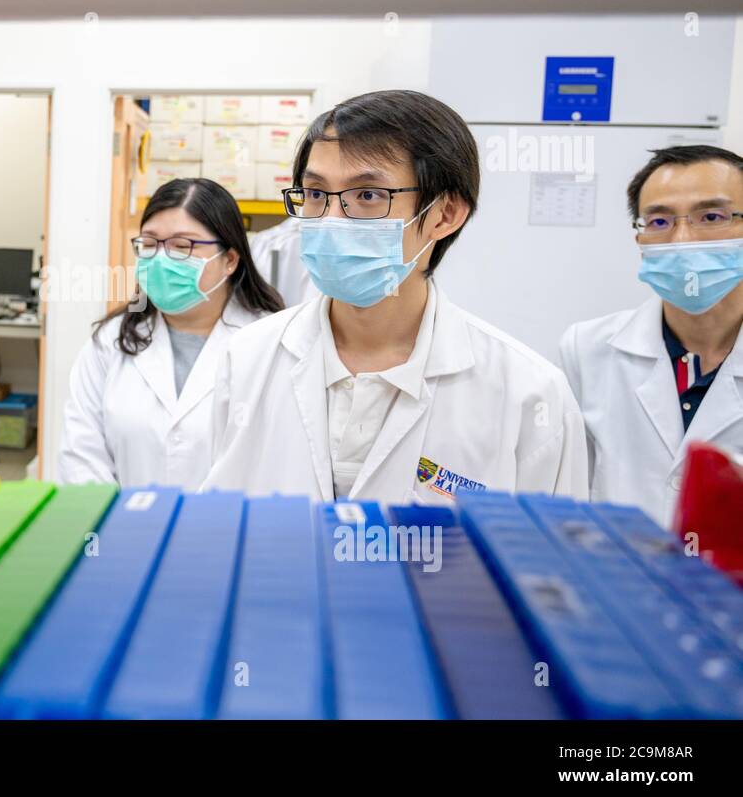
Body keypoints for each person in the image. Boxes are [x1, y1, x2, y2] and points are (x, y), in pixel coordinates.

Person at [202, 89, 588, 502]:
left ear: (444, 214)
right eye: (315, 194)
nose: (331, 219)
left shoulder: (528, 392)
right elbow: (213, 531)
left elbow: (549, 559)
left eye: (367, 195)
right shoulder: (245, 359)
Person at [58, 177, 283, 490]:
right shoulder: (110, 343)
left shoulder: (272, 342)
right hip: (126, 530)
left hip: (229, 532)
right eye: (149, 244)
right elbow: (81, 456)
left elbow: (283, 463)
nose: (161, 260)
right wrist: (114, 526)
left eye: (182, 246)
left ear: (229, 260)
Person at [560, 144, 743, 529]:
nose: (682, 240)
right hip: (619, 580)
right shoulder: (587, 349)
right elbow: (569, 493)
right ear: (639, 240)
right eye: (659, 222)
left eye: (711, 216)